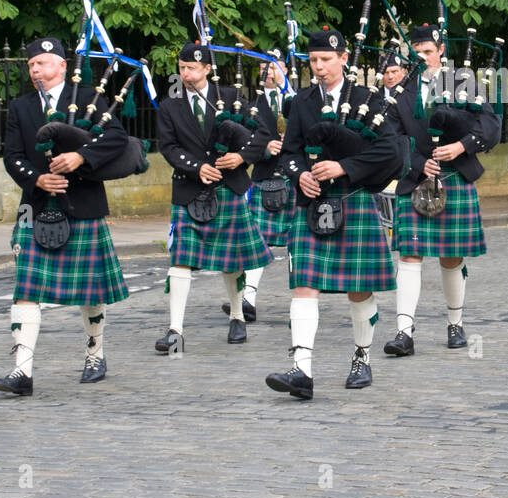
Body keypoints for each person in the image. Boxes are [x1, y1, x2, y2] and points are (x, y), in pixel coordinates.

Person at [264, 27, 407, 399]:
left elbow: (391, 152)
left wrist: (344, 167)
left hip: (353, 197)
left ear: (344, 59)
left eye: (326, 60)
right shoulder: (300, 102)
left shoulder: (369, 99)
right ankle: (302, 370)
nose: (319, 67)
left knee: (358, 290)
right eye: (313, 61)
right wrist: (300, 175)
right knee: (304, 284)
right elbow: (289, 152)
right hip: (312, 203)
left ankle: (361, 357)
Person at [0, 37, 132, 396]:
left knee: (90, 291)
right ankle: (21, 372)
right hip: (37, 207)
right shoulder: (20, 107)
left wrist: (80, 157)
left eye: (41, 63)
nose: (35, 70)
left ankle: (94, 354)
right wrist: (37, 178)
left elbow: (116, 137)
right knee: (25, 289)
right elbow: (12, 156)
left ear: (61, 66)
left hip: (82, 204)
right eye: (31, 65)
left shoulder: (87, 98)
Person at [382, 24, 501, 356]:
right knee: (409, 254)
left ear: (441, 52)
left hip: (455, 177)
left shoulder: (463, 83)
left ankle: (455, 323)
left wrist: (461, 147)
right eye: (415, 54)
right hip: (416, 180)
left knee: (451, 256)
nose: (422, 58)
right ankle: (404, 332)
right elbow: (391, 139)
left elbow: (490, 126)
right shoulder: (400, 93)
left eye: (427, 53)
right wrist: (419, 164)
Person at [156, 42, 273, 354]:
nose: (186, 74)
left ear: (207, 69)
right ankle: (174, 329)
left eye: (192, 68)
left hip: (228, 186)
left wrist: (239, 157)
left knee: (232, 261)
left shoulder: (231, 98)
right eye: (181, 68)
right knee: (180, 260)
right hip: (190, 189)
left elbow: (261, 133)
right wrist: (197, 168)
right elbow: (167, 147)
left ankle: (237, 317)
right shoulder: (170, 105)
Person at [223, 52, 293, 323]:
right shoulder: (250, 106)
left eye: (274, 66)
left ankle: (299, 301)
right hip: (265, 177)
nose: (268, 71)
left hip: (297, 179)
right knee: (256, 240)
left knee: (297, 243)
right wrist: (264, 148)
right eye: (263, 66)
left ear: (284, 68)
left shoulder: (299, 102)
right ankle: (247, 299)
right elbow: (241, 141)